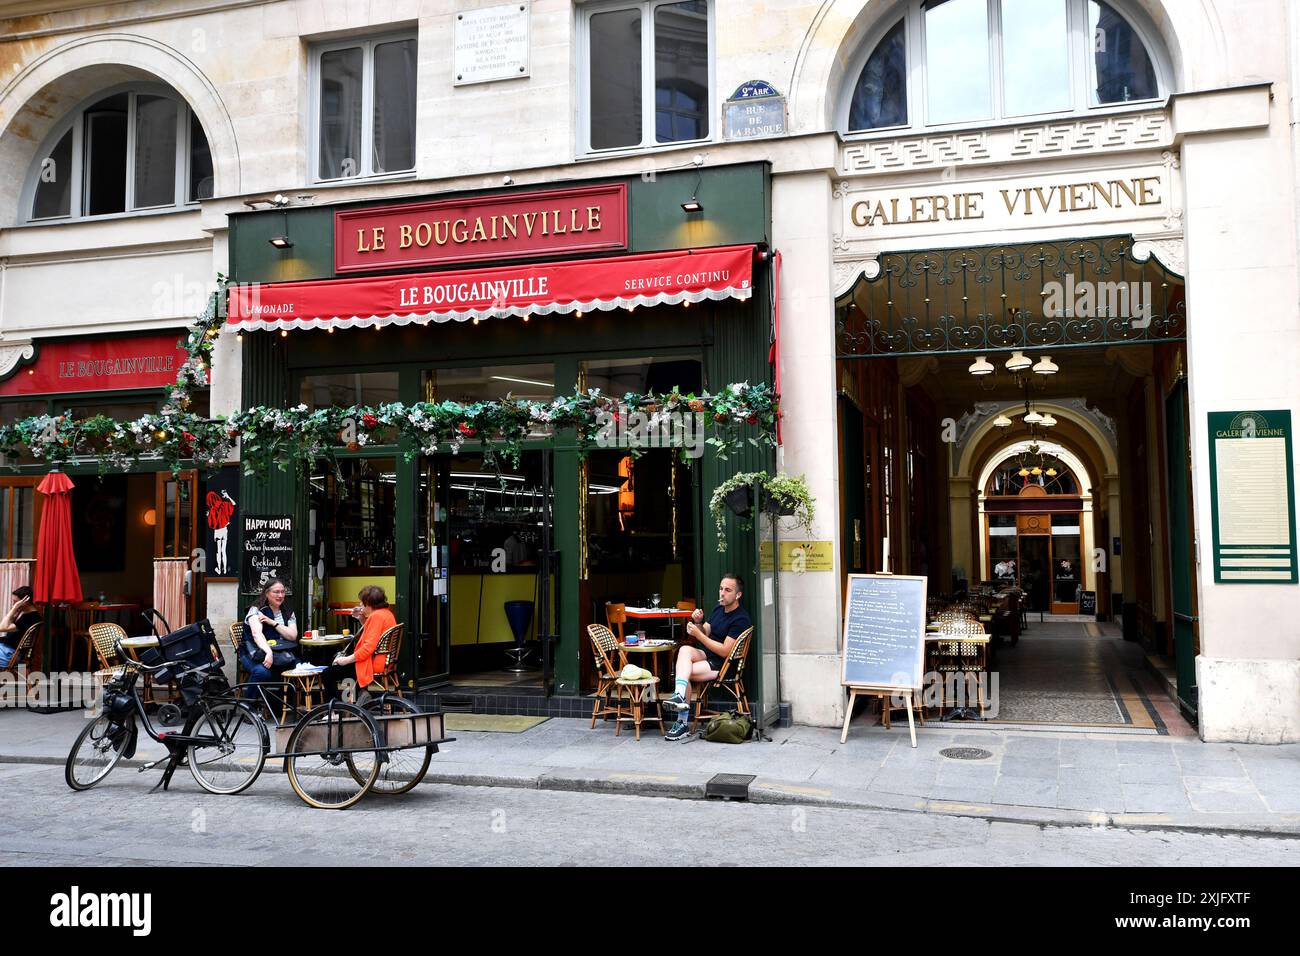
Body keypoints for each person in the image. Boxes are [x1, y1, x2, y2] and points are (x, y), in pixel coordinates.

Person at [660, 573, 751, 741]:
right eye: (721, 588)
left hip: (723, 664)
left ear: (738, 595)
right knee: (685, 650)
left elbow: (725, 651)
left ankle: (682, 723)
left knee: (684, 672)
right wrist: (698, 623)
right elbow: (706, 632)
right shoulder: (718, 609)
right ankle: (679, 695)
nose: (722, 593)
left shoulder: (741, 618)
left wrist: (699, 635)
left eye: (728, 590)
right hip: (708, 655)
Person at [321, 585, 397, 701]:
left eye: (361, 603)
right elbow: (373, 633)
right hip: (384, 660)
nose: (360, 605)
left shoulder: (376, 617)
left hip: (373, 663)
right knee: (345, 669)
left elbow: (368, 648)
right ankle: (354, 700)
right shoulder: (386, 613)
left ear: (368, 603)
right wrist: (361, 618)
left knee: (327, 674)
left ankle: (338, 708)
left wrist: (345, 660)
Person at [241, 578, 299, 698]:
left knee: (299, 667)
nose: (280, 595)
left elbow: (292, 635)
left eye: (283, 592)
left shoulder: (287, 611)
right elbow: (257, 634)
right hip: (254, 654)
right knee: (262, 672)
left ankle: (278, 705)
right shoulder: (256, 610)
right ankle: (247, 706)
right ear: (267, 593)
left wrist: (273, 622)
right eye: (276, 592)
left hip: (280, 653)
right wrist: (268, 652)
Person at [0, 586, 41, 669]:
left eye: (16, 602)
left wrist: (14, 608)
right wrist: (15, 614)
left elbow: (2, 627)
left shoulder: (29, 618)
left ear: (25, 602)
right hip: (7, 651)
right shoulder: (30, 615)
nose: (14, 604)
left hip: (9, 655)